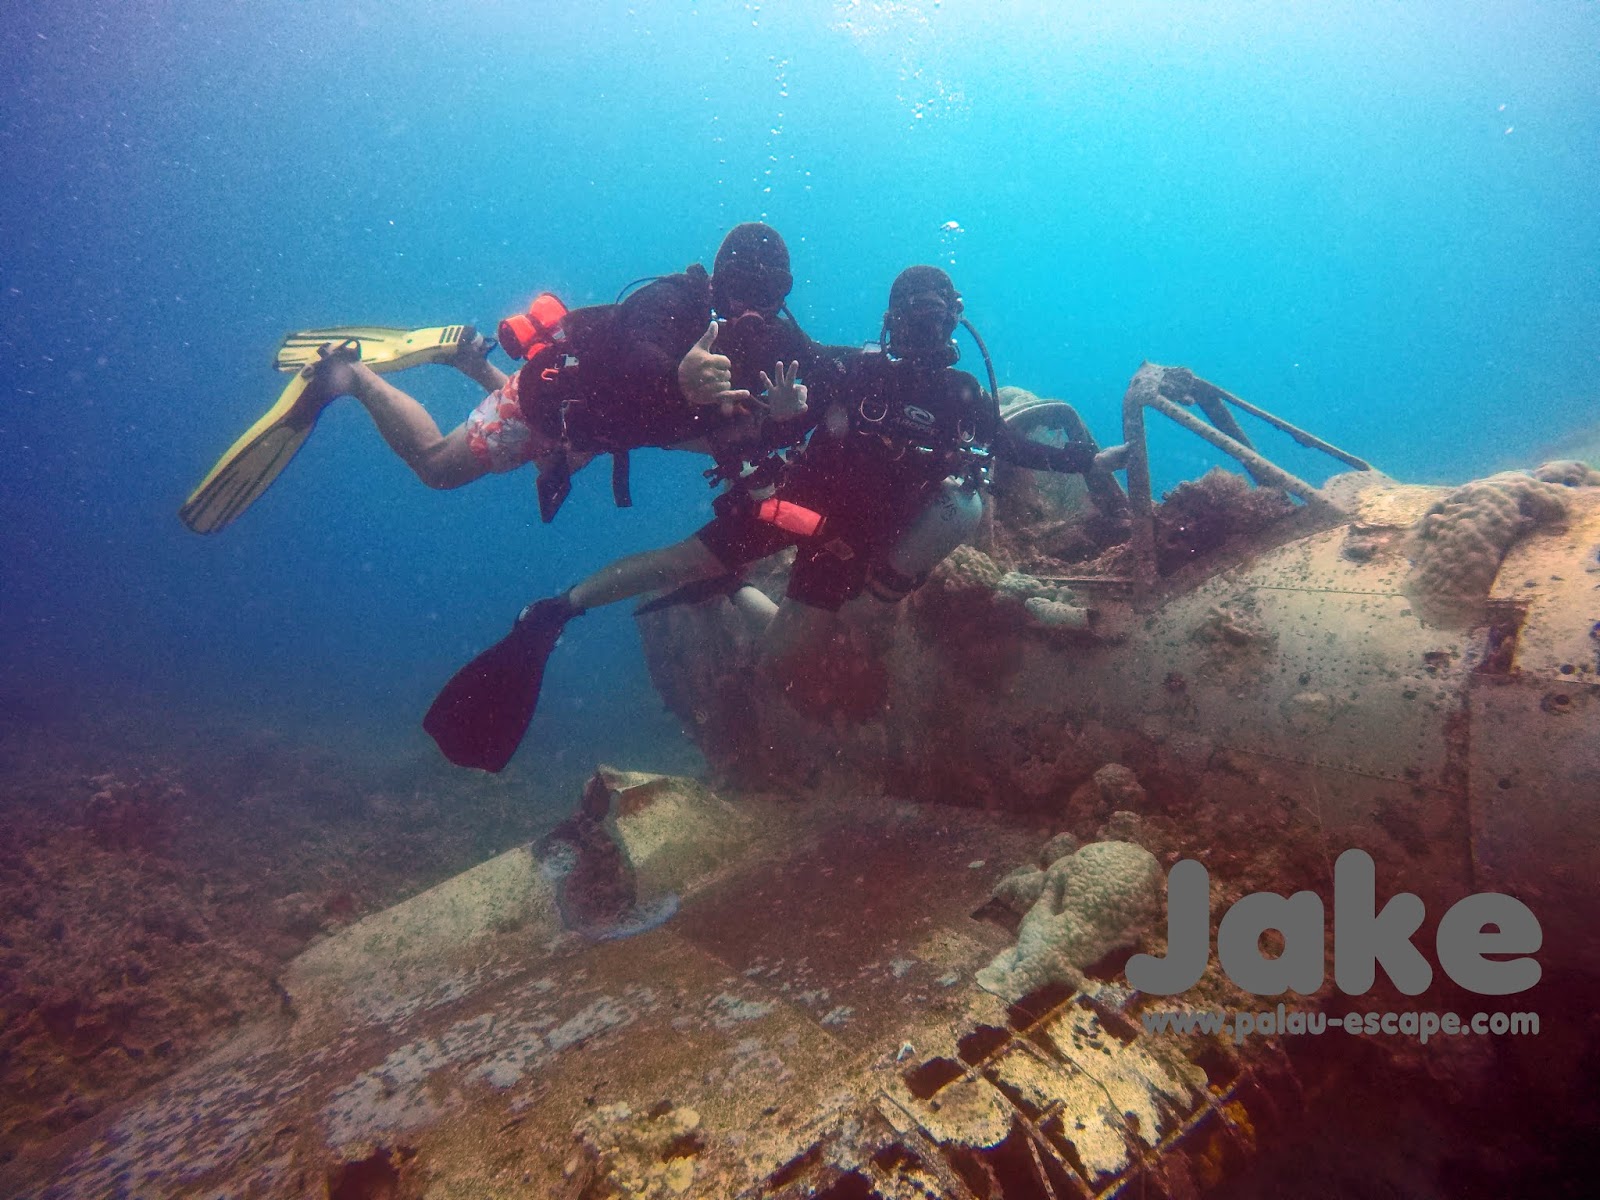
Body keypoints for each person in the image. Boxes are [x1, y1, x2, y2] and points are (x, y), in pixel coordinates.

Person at [424, 265, 1130, 771]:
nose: (924, 321)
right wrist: (787, 409)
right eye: (911, 309)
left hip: (847, 545)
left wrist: (1086, 465)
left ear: (952, 319)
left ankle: (734, 592)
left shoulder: (962, 391)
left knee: (780, 663)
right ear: (893, 317)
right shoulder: (856, 372)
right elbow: (789, 398)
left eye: (935, 310)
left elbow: (1005, 444)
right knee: (680, 559)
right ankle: (556, 609)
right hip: (795, 508)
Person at [178, 223, 845, 533]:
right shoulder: (672, 300)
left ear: (786, 289)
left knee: (728, 434)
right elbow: (640, 350)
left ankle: (468, 359)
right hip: (549, 399)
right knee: (440, 467)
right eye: (739, 287)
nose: (753, 305)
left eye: (771, 289)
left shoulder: (777, 339)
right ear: (716, 278)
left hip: (602, 427)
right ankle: (351, 380)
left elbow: (828, 369)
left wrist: (788, 410)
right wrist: (680, 376)